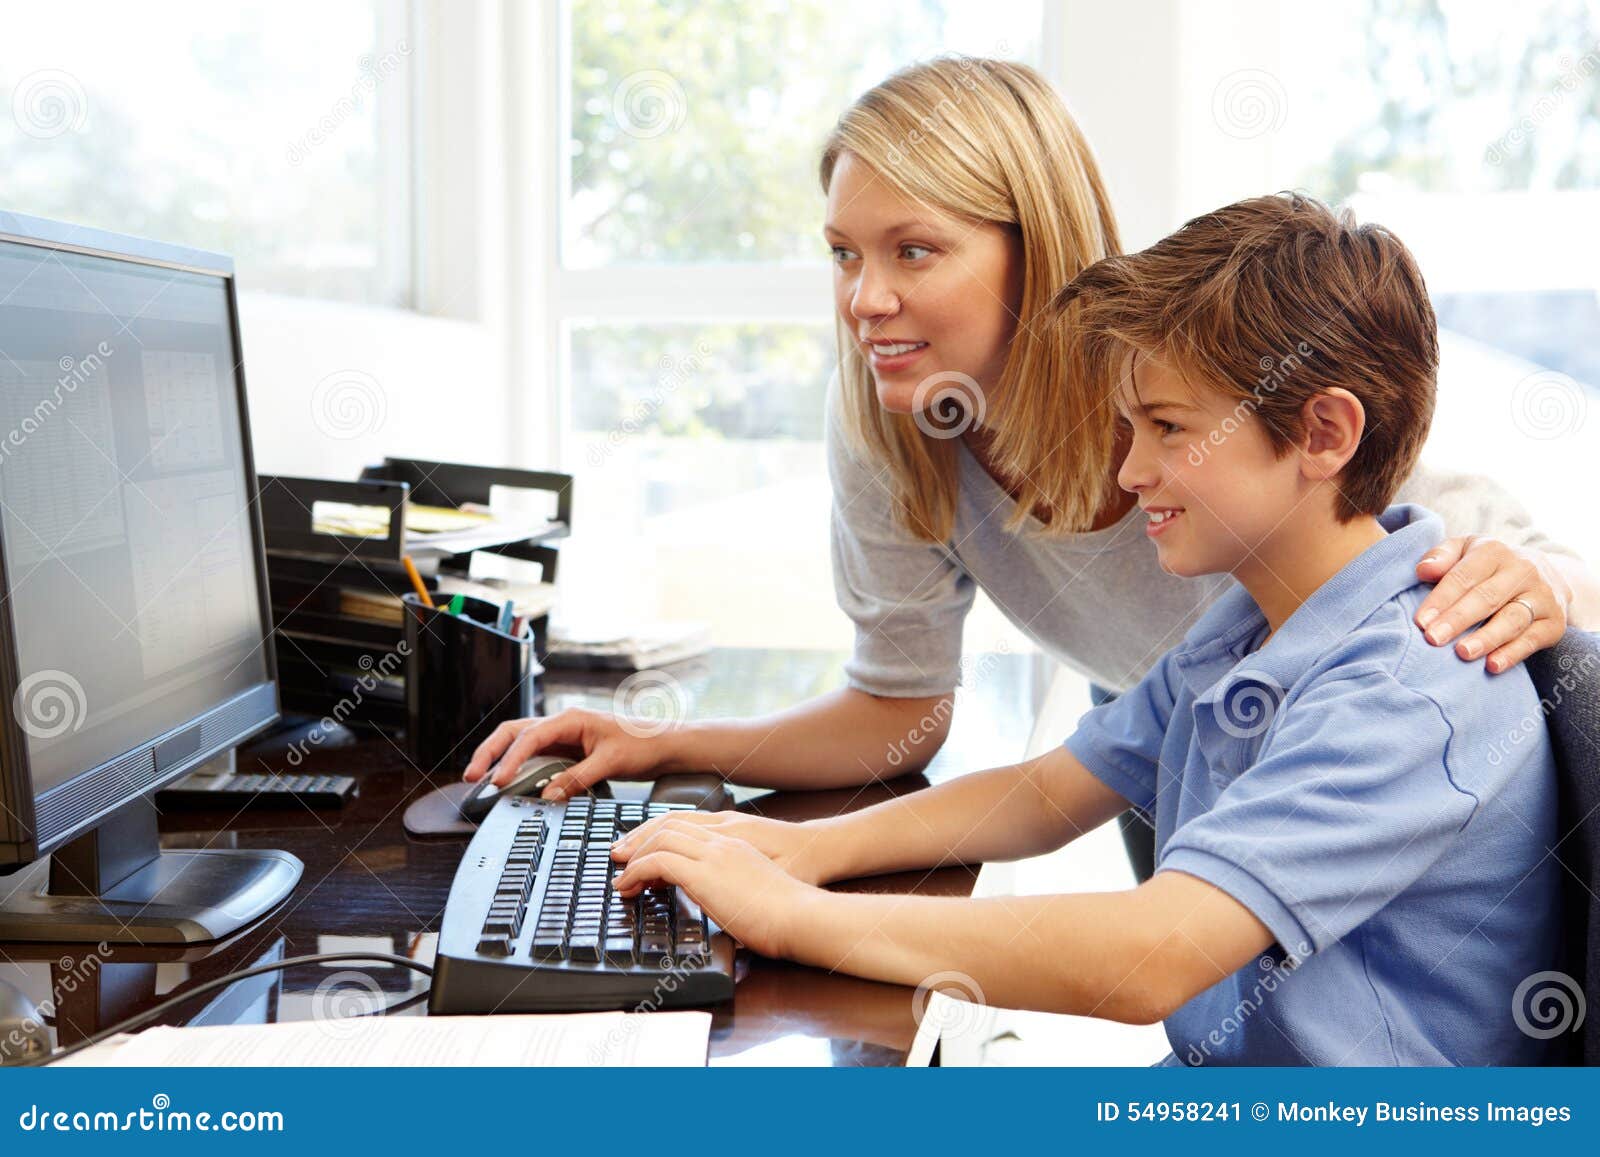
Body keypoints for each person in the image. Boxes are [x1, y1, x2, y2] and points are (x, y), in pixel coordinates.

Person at [463, 57, 1596, 839]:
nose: (863, 298)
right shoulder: (889, 416)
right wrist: (668, 746)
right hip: (1180, 757)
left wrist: (1540, 580)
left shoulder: (1196, 370)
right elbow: (899, 708)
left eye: (914, 249)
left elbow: (1514, 560)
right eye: (843, 254)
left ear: (1032, 246)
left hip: (1383, 775)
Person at [607, 193, 1561, 1066]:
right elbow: (1051, 790)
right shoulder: (1250, 624)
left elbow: (1150, 957)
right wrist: (811, 848)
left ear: (1323, 433)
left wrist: (790, 915)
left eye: (1168, 428)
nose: (1131, 470)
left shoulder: (1408, 684)